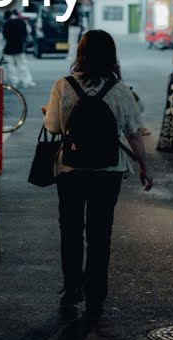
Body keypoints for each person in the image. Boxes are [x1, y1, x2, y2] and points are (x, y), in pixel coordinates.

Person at [41, 30, 152, 320]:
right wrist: (143, 166)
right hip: (108, 171)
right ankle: (95, 299)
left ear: (81, 53)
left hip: (70, 169)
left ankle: (70, 291)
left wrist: (50, 113)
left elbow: (52, 127)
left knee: (71, 232)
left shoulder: (63, 86)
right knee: (100, 235)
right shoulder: (119, 89)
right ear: (111, 56)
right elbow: (134, 134)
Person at [2, 10, 34, 87]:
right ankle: (26, 81)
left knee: (10, 66)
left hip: (9, 48)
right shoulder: (22, 22)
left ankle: (14, 82)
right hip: (20, 47)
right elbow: (26, 33)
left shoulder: (7, 23)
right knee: (22, 65)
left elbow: (4, 35)